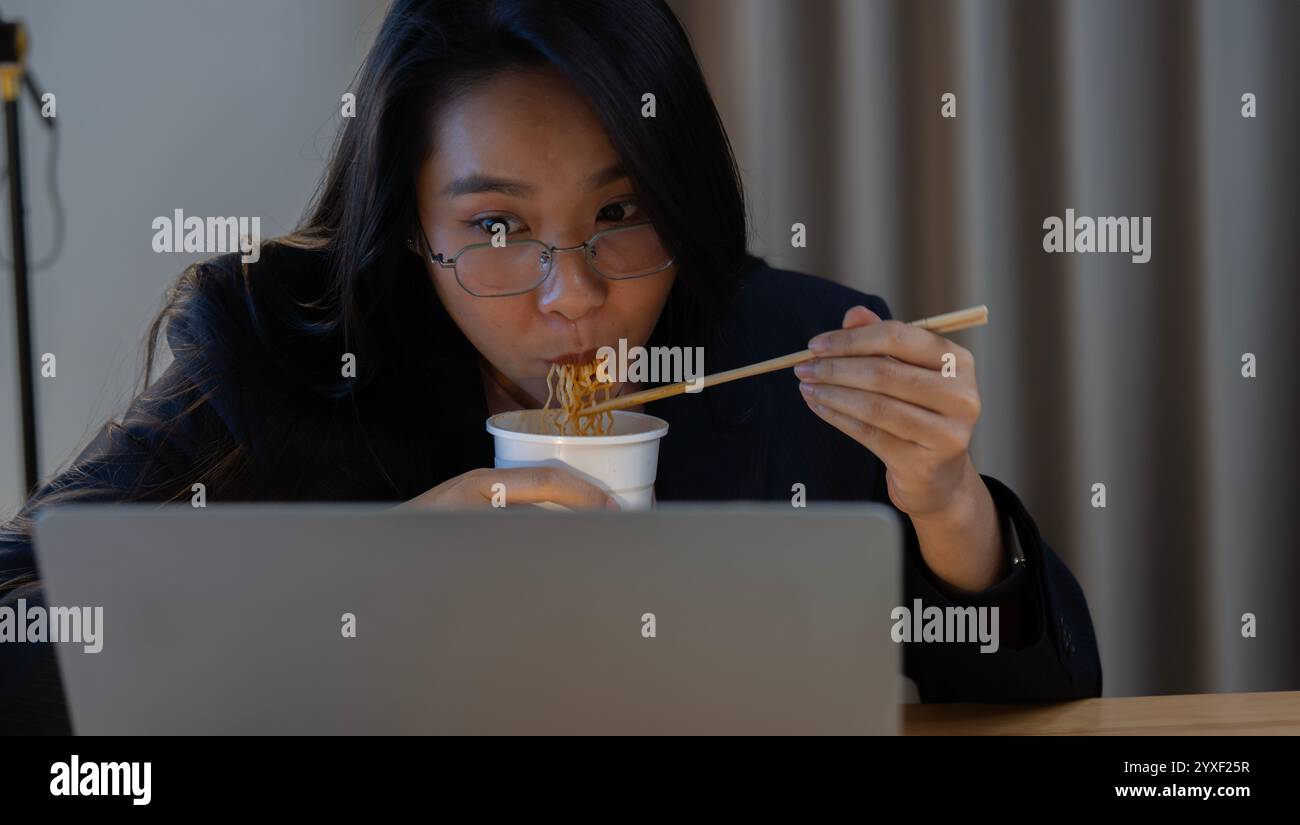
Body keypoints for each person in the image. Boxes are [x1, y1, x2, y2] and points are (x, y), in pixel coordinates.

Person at [0, 0, 1100, 734]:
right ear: (404, 228)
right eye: (493, 230)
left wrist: (949, 503)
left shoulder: (789, 351)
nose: (572, 297)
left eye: (618, 213)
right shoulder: (277, 351)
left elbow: (1032, 698)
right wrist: (360, 579)